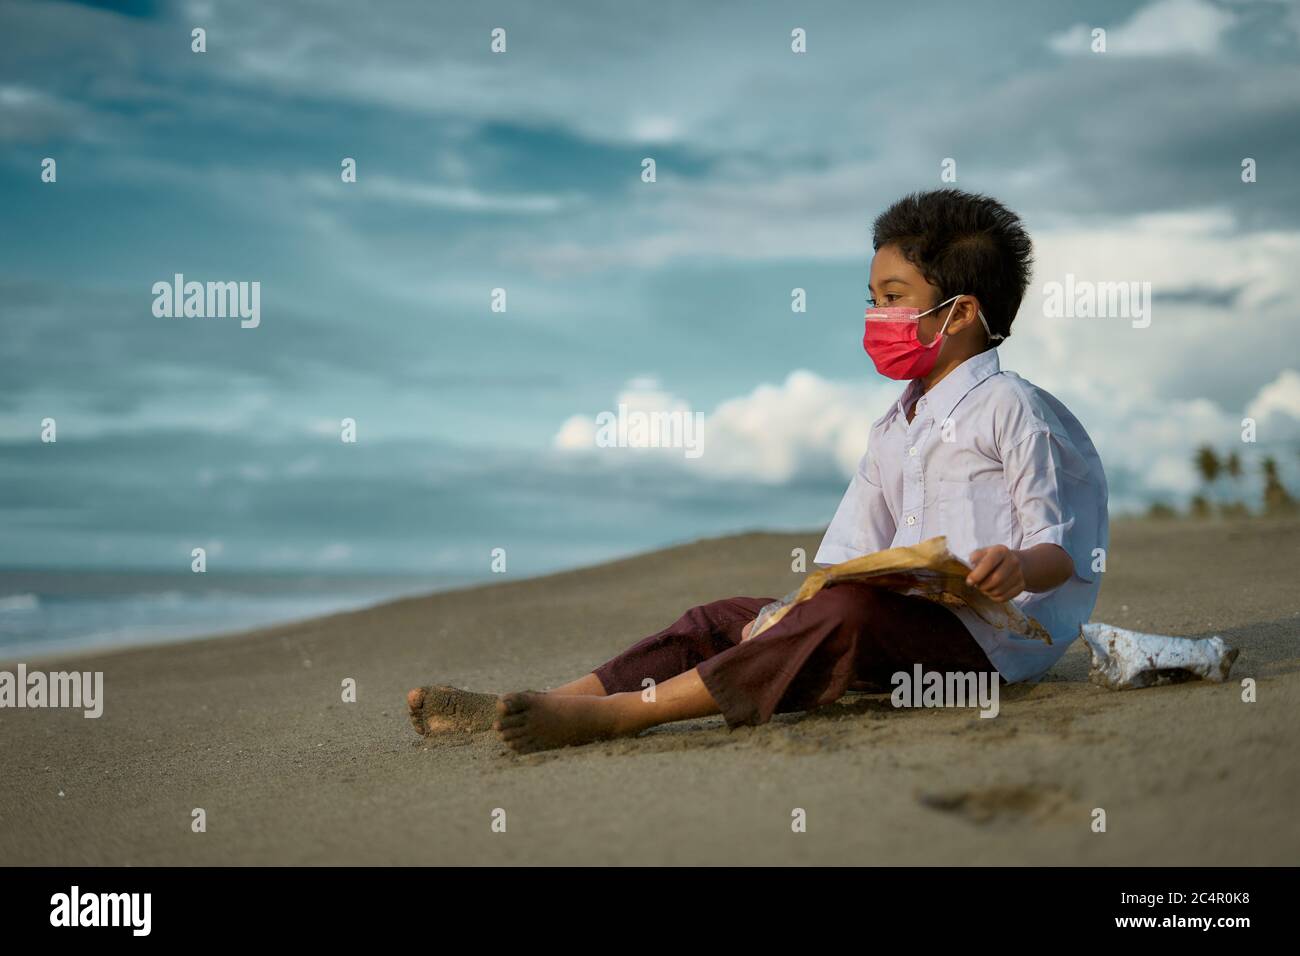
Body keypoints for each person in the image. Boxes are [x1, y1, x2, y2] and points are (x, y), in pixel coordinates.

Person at [407, 188, 1109, 754]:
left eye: (893, 297)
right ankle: (563, 698)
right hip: (898, 623)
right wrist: (785, 611)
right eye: (872, 296)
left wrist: (1015, 566)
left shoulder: (1013, 408)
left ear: (958, 313)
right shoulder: (894, 425)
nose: (876, 314)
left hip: (986, 652)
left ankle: (626, 716)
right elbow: (847, 556)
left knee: (844, 613)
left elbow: (1060, 548)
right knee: (726, 617)